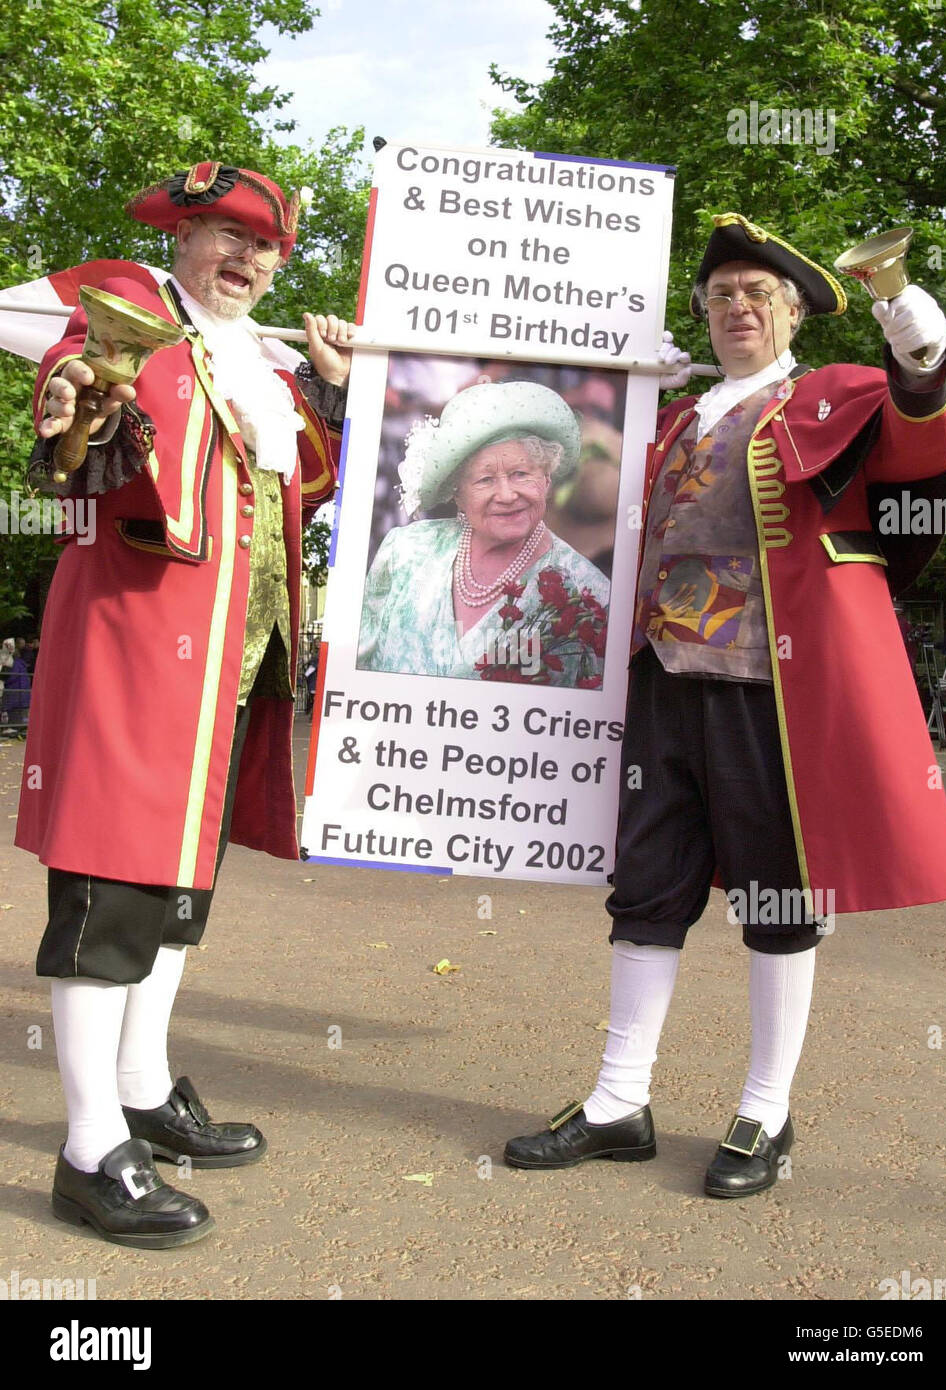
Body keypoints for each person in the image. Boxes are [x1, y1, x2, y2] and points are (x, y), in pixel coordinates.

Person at [505, 212, 946, 1196]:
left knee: (775, 893)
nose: (736, 308)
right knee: (646, 887)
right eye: (720, 296)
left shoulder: (833, 396)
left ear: (791, 310)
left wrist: (909, 329)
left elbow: (923, 431)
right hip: (663, 679)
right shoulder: (670, 418)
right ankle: (617, 1101)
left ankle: (764, 1109)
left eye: (756, 293)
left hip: (773, 689)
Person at [17, 161, 353, 1247]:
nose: (249, 260)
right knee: (110, 883)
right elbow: (76, 406)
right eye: (227, 236)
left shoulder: (264, 364)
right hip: (136, 644)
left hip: (234, 656)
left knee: (177, 889)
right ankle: (88, 1146)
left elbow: (303, 483)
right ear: (183, 237)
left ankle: (144, 1084)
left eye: (266, 247)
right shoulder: (131, 315)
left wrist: (339, 392)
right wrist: (76, 395)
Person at [358, 380, 611, 687]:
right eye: (485, 480)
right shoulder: (404, 552)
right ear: (457, 493)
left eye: (521, 474)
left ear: (546, 479)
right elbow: (358, 671)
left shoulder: (588, 593)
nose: (506, 494)